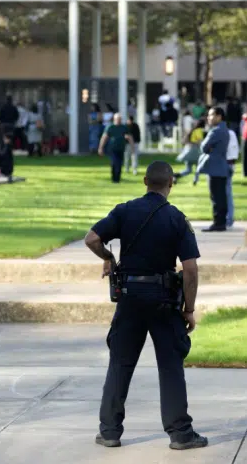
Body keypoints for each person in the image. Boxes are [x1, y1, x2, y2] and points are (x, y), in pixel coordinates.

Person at [83, 161, 208, 451]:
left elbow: (91, 238)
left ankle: (110, 431)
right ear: (171, 184)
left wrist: (109, 258)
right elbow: (190, 269)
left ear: (144, 181)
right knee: (170, 366)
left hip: (129, 298)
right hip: (163, 301)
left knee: (120, 363)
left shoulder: (125, 210)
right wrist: (189, 308)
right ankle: (180, 433)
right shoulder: (176, 218)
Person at [197, 107, 230, 232]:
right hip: (221, 166)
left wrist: (209, 147)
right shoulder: (224, 129)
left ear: (219, 116)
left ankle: (218, 223)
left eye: (211, 115)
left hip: (215, 167)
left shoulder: (216, 131)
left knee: (216, 197)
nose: (208, 118)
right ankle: (221, 222)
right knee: (220, 195)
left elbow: (204, 147)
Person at [98, 113, 135, 183]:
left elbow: (130, 137)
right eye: (118, 119)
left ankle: (117, 178)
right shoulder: (110, 127)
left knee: (120, 163)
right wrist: (100, 148)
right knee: (114, 163)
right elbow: (104, 137)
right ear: (114, 119)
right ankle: (114, 178)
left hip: (121, 148)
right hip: (112, 148)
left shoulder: (124, 127)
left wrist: (132, 147)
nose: (119, 120)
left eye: (120, 119)